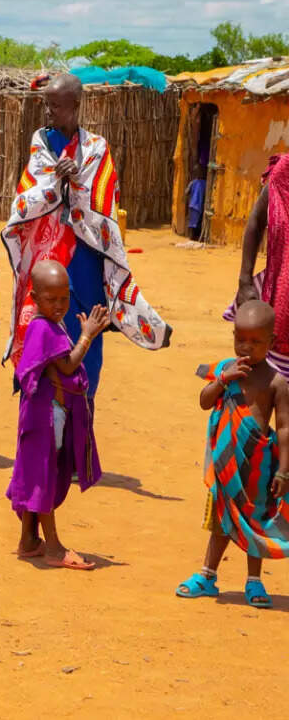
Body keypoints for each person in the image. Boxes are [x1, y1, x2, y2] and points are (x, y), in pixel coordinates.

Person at [2, 73, 171, 404]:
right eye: (46, 106)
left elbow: (105, 203)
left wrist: (77, 183)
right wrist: (54, 182)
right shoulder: (40, 144)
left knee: (86, 328)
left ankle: (83, 409)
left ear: (75, 106)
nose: (48, 113)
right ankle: (40, 408)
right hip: (48, 262)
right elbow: (25, 199)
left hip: (85, 261)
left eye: (55, 106)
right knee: (43, 326)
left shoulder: (96, 149)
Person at [176, 300, 289, 608]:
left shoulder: (276, 382)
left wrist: (283, 471)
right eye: (240, 339)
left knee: (256, 523)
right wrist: (223, 380)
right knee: (220, 523)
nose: (246, 348)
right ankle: (208, 576)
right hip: (226, 467)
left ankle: (254, 581)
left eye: (255, 342)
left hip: (257, 468)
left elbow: (283, 429)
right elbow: (204, 400)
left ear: (272, 342)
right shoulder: (227, 370)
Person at [7, 261, 108, 570]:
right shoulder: (41, 326)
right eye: (51, 299)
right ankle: (53, 546)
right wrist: (87, 336)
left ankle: (28, 540)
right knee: (44, 476)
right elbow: (66, 365)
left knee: (39, 471)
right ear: (35, 298)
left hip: (48, 414)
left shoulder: (49, 324)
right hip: (46, 417)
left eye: (64, 298)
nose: (60, 305)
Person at [233, 151, 289, 378]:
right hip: (282, 306)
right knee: (267, 391)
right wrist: (245, 280)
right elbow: (256, 221)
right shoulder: (285, 172)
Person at [187, 165, 207, 241]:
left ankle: (192, 237)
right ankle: (194, 237)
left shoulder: (193, 182)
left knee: (193, 221)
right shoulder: (205, 183)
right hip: (198, 205)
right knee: (197, 222)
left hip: (193, 204)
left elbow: (186, 192)